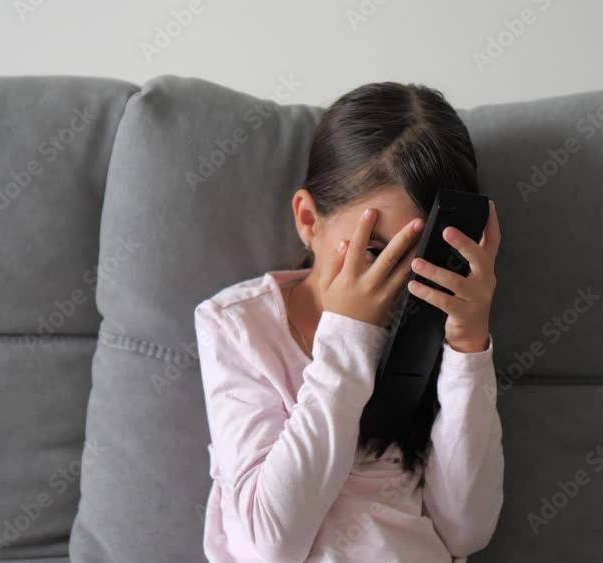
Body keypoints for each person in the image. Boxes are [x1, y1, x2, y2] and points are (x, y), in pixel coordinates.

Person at [195, 81, 504, 562]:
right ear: (309, 220)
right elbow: (270, 545)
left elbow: (466, 531)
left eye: (422, 257)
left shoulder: (442, 323)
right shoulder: (240, 325)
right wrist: (348, 335)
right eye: (378, 251)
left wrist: (468, 347)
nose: (400, 282)